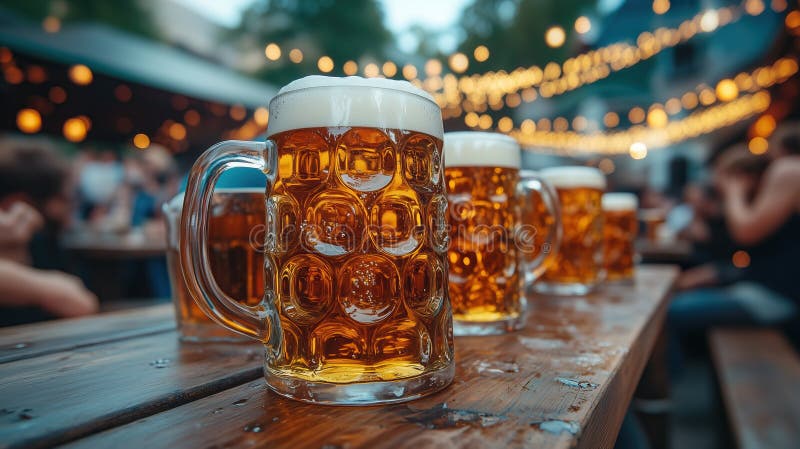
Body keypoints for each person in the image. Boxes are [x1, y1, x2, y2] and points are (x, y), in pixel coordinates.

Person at [668, 133, 800, 374]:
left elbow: (744, 235)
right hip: (760, 289)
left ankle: (663, 398)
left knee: (670, 312)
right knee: (672, 306)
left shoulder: (788, 171)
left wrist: (734, 192)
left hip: (776, 296)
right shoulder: (768, 192)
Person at [0, 142, 98, 324]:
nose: (70, 210)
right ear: (16, 204)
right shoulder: (39, 239)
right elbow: (79, 302)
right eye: (63, 199)